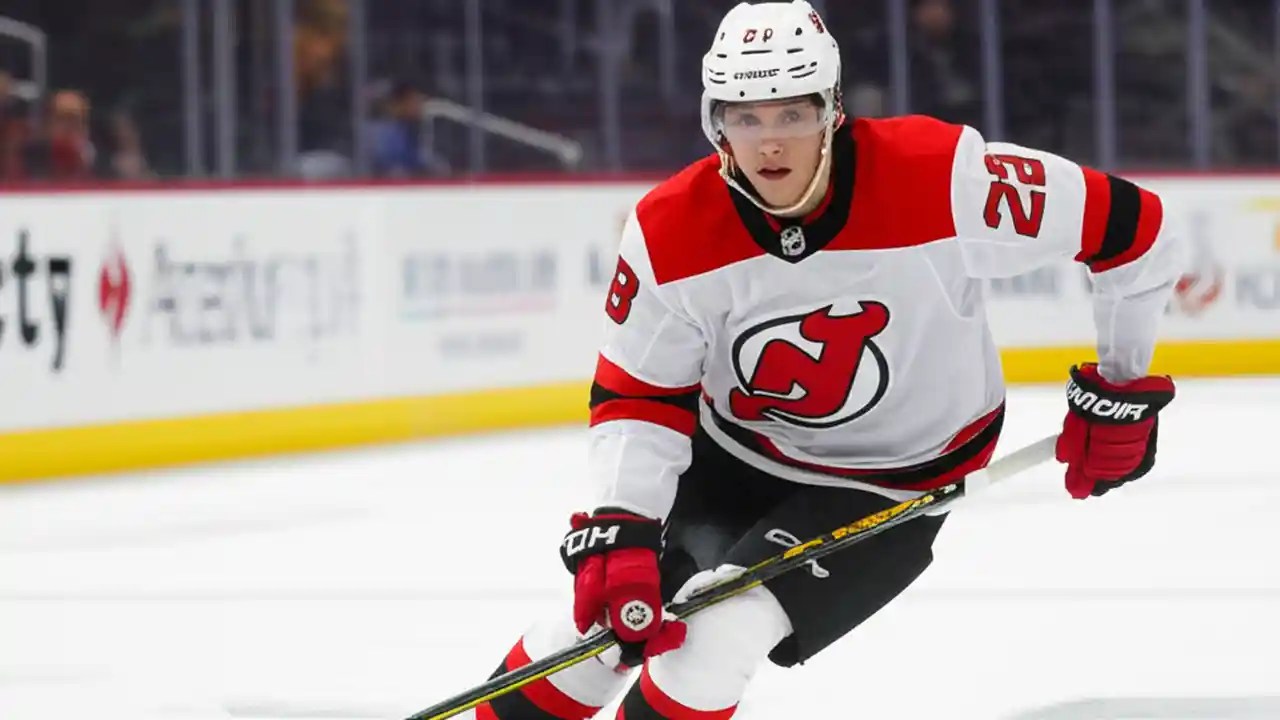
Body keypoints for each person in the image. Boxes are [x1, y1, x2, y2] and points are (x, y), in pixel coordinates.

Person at [461, 2, 1186, 718]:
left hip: (890, 483)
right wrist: (620, 526)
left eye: (792, 115)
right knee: (594, 636)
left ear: (833, 110)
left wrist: (1122, 387)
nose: (769, 143)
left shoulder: (943, 179)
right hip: (733, 458)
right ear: (716, 124)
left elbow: (1138, 231)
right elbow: (639, 398)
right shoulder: (670, 231)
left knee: (715, 640)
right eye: (745, 118)